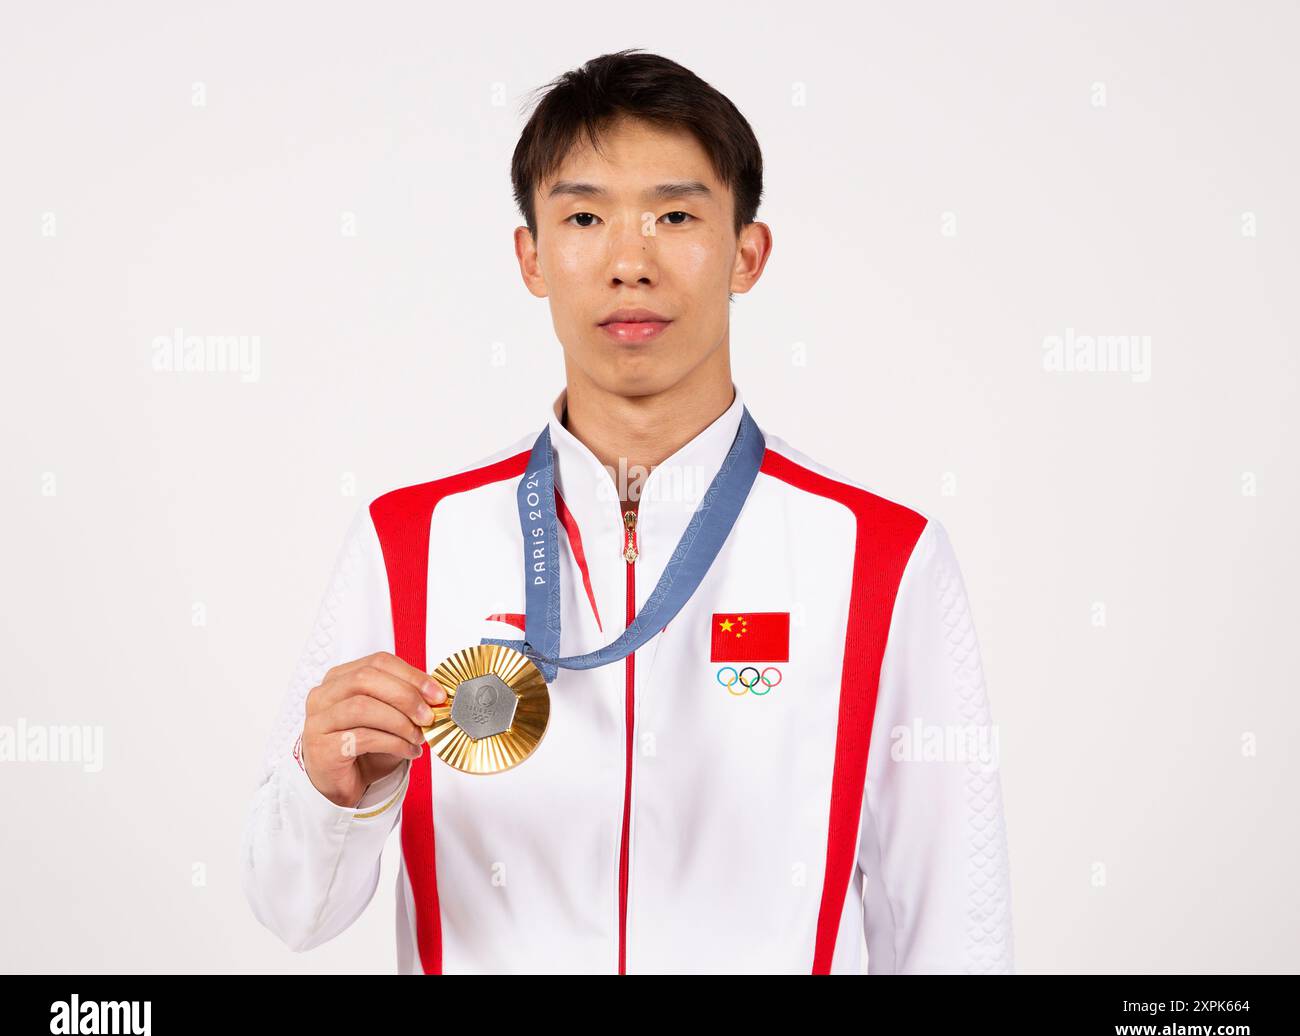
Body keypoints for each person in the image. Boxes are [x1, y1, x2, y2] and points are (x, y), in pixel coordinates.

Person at [240, 48, 1014, 975]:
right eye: (584, 216)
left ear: (748, 254)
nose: (629, 261)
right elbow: (292, 908)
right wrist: (332, 795)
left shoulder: (882, 559)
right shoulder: (407, 544)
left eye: (676, 215)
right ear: (531, 255)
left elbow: (954, 936)